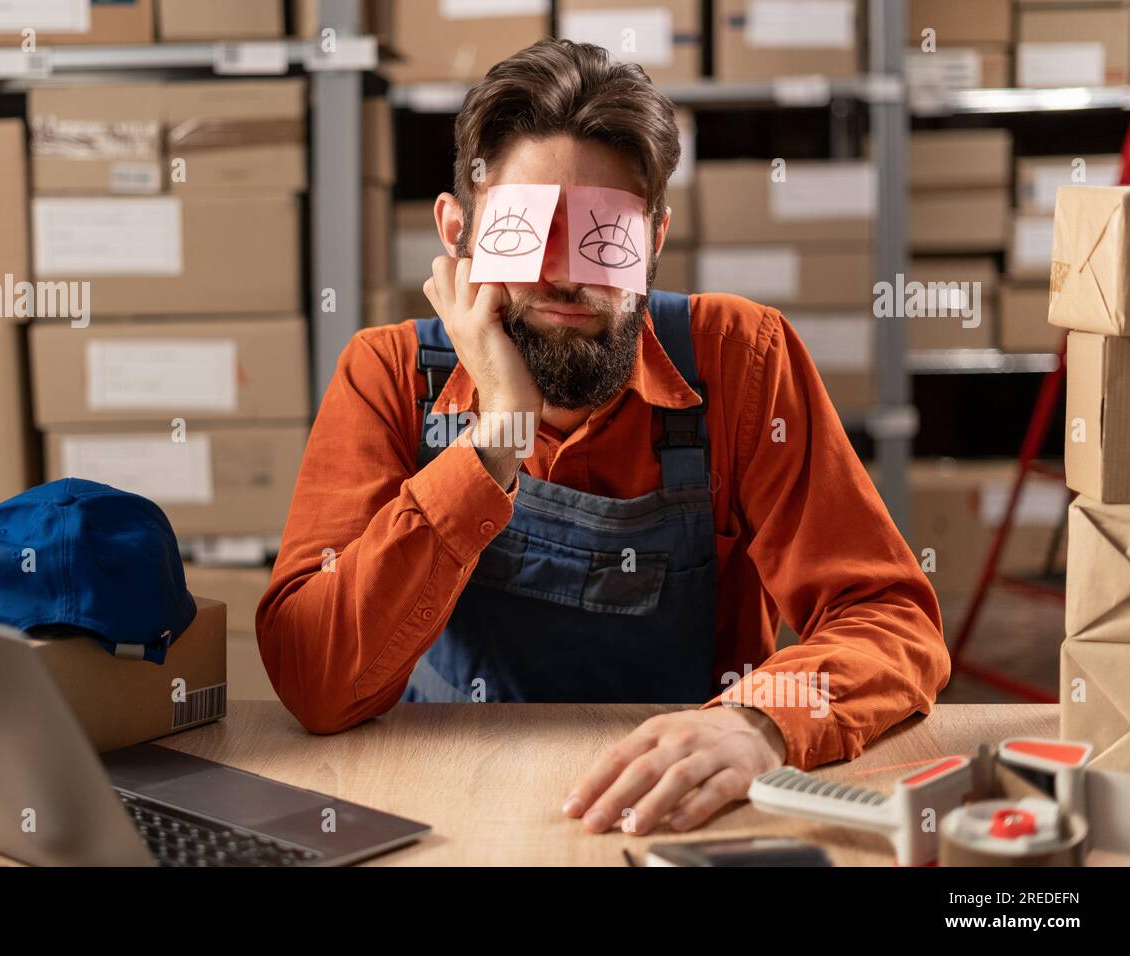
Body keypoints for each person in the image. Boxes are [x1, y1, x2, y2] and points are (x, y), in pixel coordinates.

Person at [257, 39, 949, 837]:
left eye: (604, 236)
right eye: (524, 231)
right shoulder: (388, 376)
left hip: (676, 814)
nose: (565, 276)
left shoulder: (741, 357)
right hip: (436, 812)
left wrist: (760, 723)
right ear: (459, 233)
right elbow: (316, 683)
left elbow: (890, 614)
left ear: (653, 239)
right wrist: (496, 437)